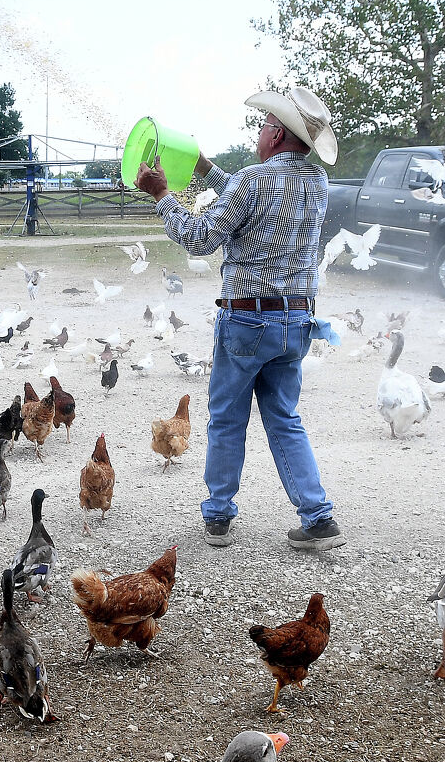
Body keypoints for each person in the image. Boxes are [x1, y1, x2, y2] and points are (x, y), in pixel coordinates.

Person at [134, 87, 343, 550]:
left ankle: (218, 516)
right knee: (284, 419)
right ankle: (317, 517)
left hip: (248, 322)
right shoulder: (317, 182)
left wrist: (162, 194)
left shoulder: (252, 181)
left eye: (265, 124)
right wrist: (205, 167)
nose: (260, 132)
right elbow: (257, 195)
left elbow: (200, 237)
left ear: (276, 134)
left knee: (228, 420)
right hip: (296, 321)